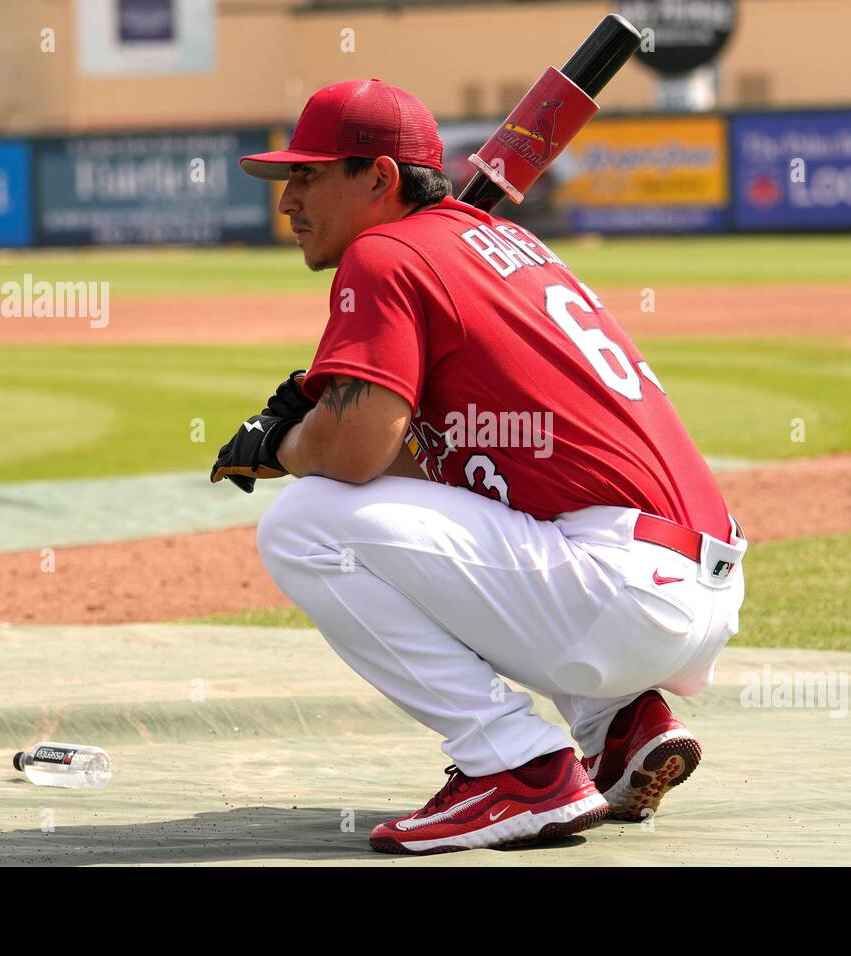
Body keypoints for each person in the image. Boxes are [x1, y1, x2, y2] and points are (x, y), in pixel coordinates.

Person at [211, 78, 747, 855]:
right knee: (458, 516)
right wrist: (320, 411)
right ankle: (621, 723)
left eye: (308, 174)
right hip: (689, 587)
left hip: (617, 588)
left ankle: (515, 769)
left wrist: (282, 445)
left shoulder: (382, 252)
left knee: (303, 524)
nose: (288, 199)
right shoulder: (508, 247)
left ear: (380, 179)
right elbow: (431, 482)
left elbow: (355, 456)